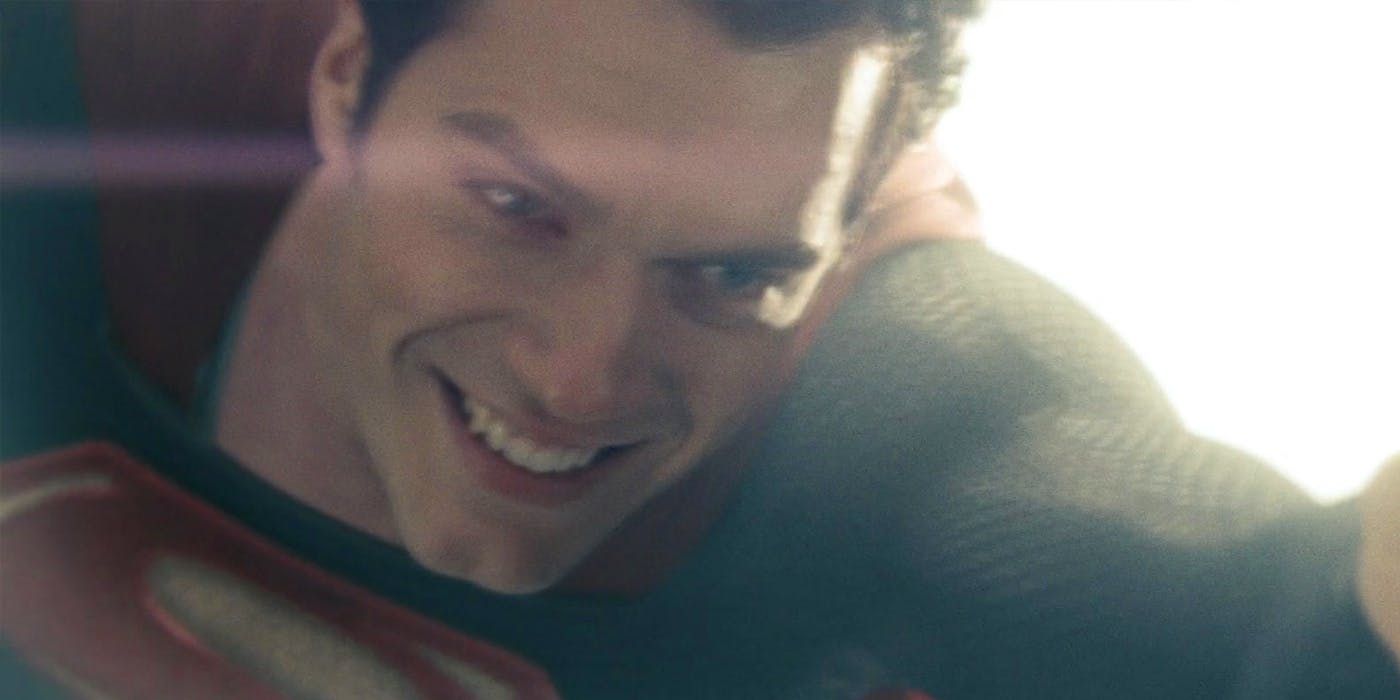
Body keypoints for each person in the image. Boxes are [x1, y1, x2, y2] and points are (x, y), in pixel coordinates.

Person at [1, 1, 1396, 698]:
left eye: (736, 273)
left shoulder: (916, 404)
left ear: (849, 226)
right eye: (518, 210)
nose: (582, 381)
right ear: (349, 79)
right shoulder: (82, 96)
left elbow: (1227, 609)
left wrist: (1346, 612)